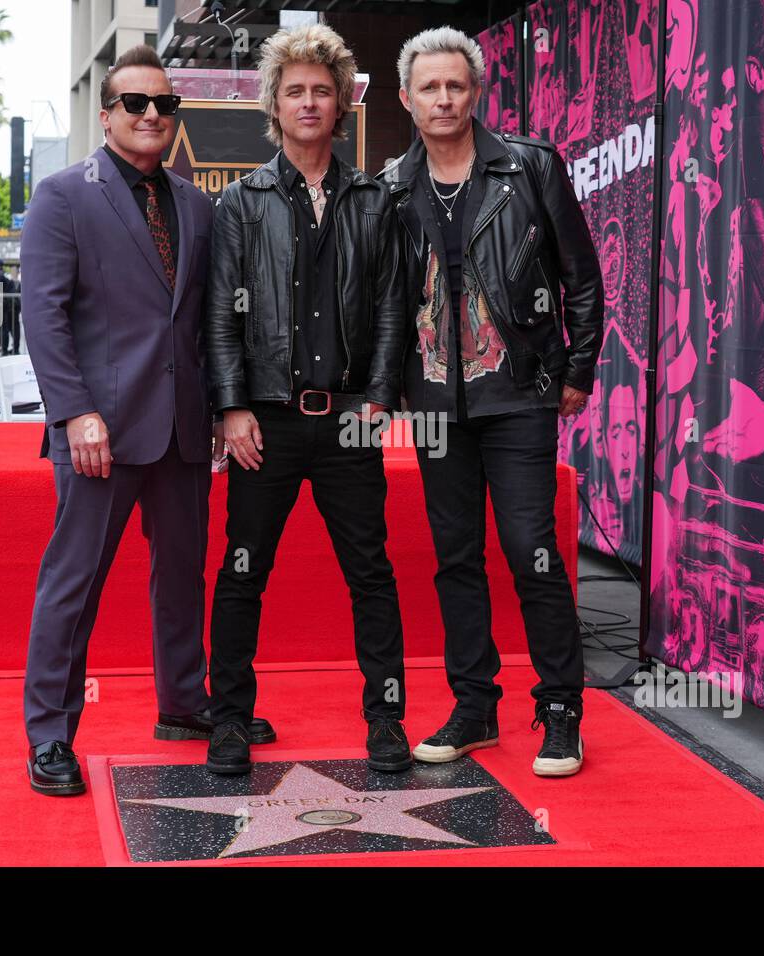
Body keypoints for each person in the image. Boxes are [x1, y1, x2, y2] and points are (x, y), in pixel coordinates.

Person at [381, 27, 603, 776]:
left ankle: (561, 711)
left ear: (476, 93)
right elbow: (383, 302)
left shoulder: (530, 166)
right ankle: (474, 707)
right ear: (408, 99)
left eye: (457, 85)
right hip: (437, 404)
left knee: (530, 550)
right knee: (455, 558)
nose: (444, 98)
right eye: (430, 87)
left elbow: (582, 272)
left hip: (520, 395)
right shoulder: (390, 187)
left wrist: (577, 368)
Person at [21, 44, 242, 796]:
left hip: (183, 425)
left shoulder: (195, 204)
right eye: (137, 104)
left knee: (183, 574)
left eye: (165, 105)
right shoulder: (62, 196)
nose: (153, 116)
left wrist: (217, 406)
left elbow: (205, 318)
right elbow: (44, 317)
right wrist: (75, 412)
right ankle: (50, 735)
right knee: (74, 583)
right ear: (108, 113)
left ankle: (184, 703)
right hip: (100, 435)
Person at [204, 23, 408, 776]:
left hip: (350, 418)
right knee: (243, 569)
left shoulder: (372, 199)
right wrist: (230, 407)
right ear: (275, 105)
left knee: (373, 574)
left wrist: (381, 395)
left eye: (323, 90)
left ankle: (386, 720)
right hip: (269, 421)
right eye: (296, 91)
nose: (310, 102)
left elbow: (392, 305)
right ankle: (228, 720)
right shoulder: (242, 204)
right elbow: (220, 314)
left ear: (342, 102)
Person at [0, 258, 21, 355]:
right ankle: (13, 349)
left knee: (3, 328)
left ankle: (5, 350)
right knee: (11, 328)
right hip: (10, 304)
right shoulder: (4, 274)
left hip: (4, 304)